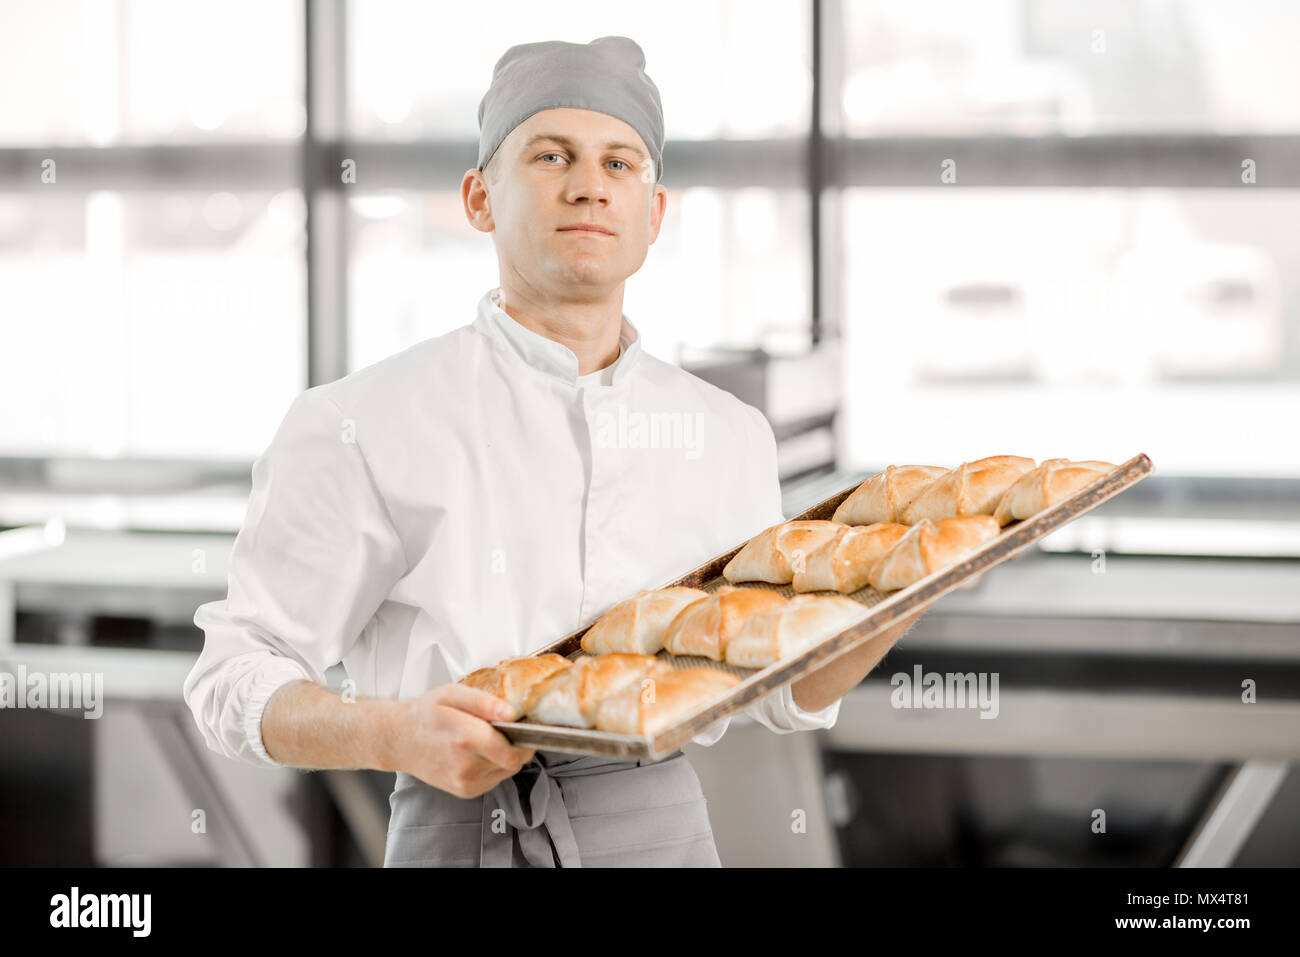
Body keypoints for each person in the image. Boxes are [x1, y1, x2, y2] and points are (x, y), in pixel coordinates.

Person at [183, 35, 931, 868]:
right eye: (551, 155)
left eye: (621, 163)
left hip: (665, 833)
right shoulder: (361, 422)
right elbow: (231, 677)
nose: (588, 186)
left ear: (653, 213)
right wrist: (393, 732)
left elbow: (786, 687)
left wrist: (911, 588)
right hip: (457, 833)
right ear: (479, 198)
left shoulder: (728, 435)